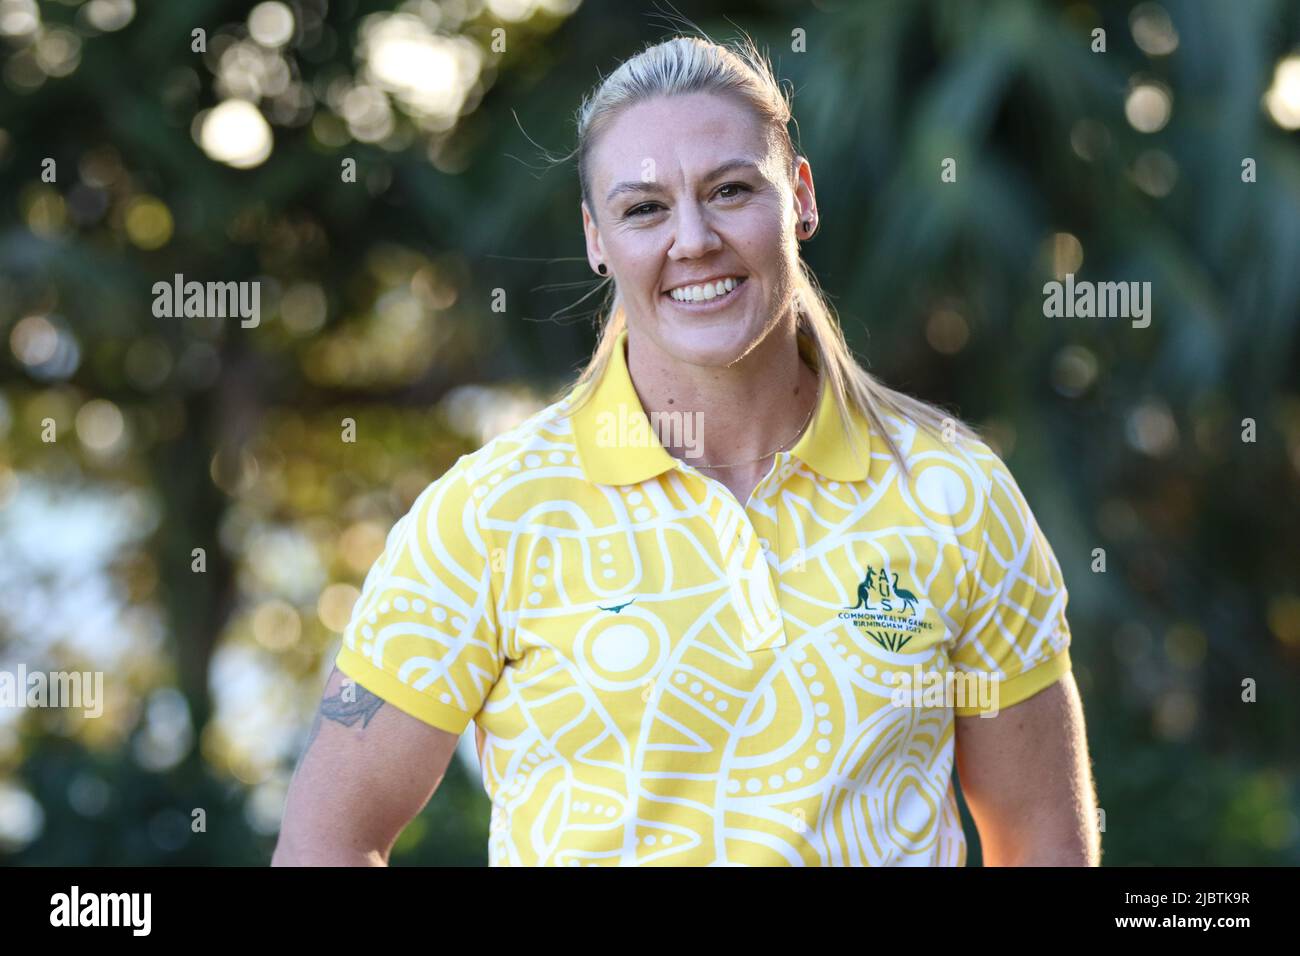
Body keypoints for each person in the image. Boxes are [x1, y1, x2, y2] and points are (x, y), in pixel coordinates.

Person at [273, 33, 1100, 867]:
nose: (695, 239)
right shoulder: (489, 517)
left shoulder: (955, 493)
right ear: (598, 238)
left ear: (800, 199)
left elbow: (1041, 842)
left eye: (731, 189)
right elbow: (326, 843)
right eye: (644, 208)